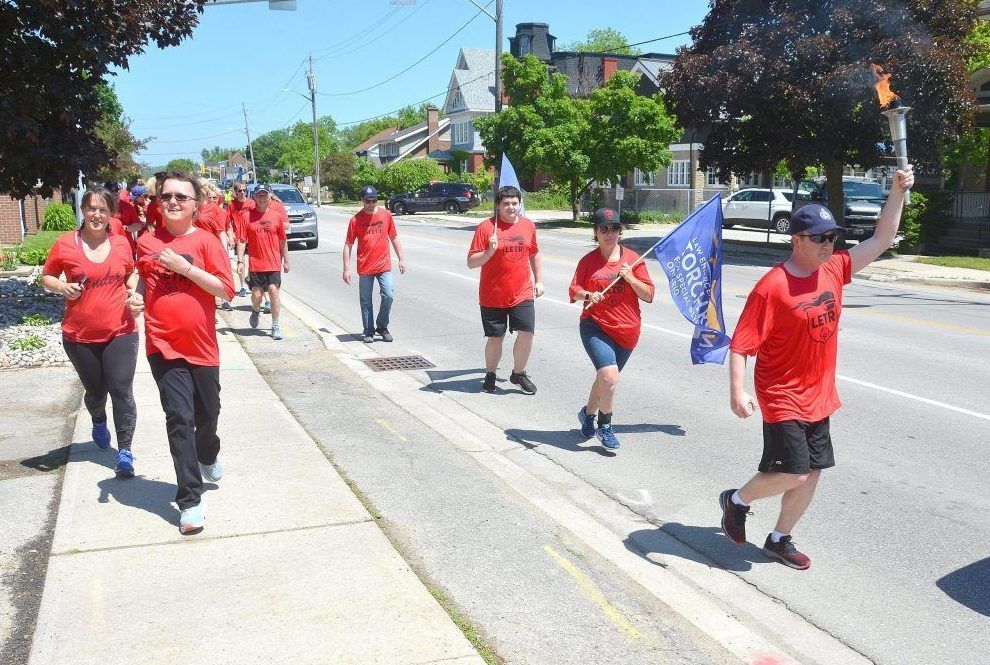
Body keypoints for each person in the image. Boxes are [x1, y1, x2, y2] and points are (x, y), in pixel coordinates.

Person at [719, 166, 915, 570]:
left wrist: (896, 191)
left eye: (833, 237)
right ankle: (737, 500)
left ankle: (779, 539)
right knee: (793, 473)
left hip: (819, 395)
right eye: (820, 238)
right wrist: (738, 391)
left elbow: (882, 239)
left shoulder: (833, 269)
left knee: (812, 474)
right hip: (782, 394)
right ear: (797, 240)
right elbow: (741, 346)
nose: (830, 244)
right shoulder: (771, 287)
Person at [136, 171, 236, 535]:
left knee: (208, 414)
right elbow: (144, 279)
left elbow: (227, 290)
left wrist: (187, 268)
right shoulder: (147, 241)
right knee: (179, 418)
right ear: (158, 202)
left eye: (181, 196)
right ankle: (190, 500)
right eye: (167, 196)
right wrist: (136, 296)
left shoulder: (207, 242)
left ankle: (207, 453)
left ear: (195, 205)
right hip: (162, 346)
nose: (173, 202)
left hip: (203, 348)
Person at [40, 187, 143, 477]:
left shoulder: (121, 243)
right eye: (91, 209)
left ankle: (125, 452)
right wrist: (63, 287)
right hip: (79, 335)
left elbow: (130, 273)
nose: (97, 215)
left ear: (111, 214)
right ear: (83, 211)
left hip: (121, 330)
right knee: (97, 393)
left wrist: (133, 292)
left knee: (122, 390)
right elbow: (46, 276)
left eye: (103, 209)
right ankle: (98, 418)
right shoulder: (65, 244)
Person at [568, 208, 655, 450]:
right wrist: (589, 294)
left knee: (606, 379)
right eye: (604, 229)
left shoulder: (634, 260)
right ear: (595, 232)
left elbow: (648, 295)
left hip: (627, 330)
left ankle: (587, 414)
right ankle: (605, 426)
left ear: (620, 231)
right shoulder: (588, 262)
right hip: (595, 325)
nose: (610, 233)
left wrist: (631, 278)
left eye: (614, 228)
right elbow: (574, 290)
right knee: (609, 376)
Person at [466, 185, 544, 394]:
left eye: (514, 203)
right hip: (493, 294)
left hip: (522, 292)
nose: (511, 207)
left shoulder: (528, 226)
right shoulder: (486, 228)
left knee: (527, 332)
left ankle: (518, 373)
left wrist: (539, 280)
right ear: (498, 206)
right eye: (506, 204)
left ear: (520, 204)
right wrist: (489, 252)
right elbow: (471, 263)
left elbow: (534, 253)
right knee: (495, 338)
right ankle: (490, 374)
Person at [342, 186, 406, 343]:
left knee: (389, 295)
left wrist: (401, 259)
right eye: (367, 201)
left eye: (374, 200)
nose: (371, 203)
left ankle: (382, 326)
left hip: (383, 265)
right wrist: (346, 269)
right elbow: (348, 245)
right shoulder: (355, 220)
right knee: (366, 300)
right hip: (365, 267)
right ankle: (368, 331)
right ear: (362, 200)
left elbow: (394, 237)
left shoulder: (385, 215)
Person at [236, 183, 289, 340]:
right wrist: (240, 261)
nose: (262, 198)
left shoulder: (276, 216)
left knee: (273, 290)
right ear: (254, 197)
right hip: (256, 263)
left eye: (265, 195)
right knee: (257, 295)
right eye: (259, 195)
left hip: (273, 263)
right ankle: (255, 309)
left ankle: (275, 325)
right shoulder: (247, 216)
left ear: (270, 196)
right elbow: (242, 240)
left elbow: (282, 240)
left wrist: (286, 260)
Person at [226, 182, 254, 297]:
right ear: (235, 193)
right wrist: (230, 235)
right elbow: (228, 221)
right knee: (241, 261)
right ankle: (243, 286)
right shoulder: (231, 204)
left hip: (251, 236)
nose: (242, 192)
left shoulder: (251, 203)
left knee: (252, 261)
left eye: (244, 190)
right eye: (240, 191)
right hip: (239, 237)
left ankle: (249, 277)